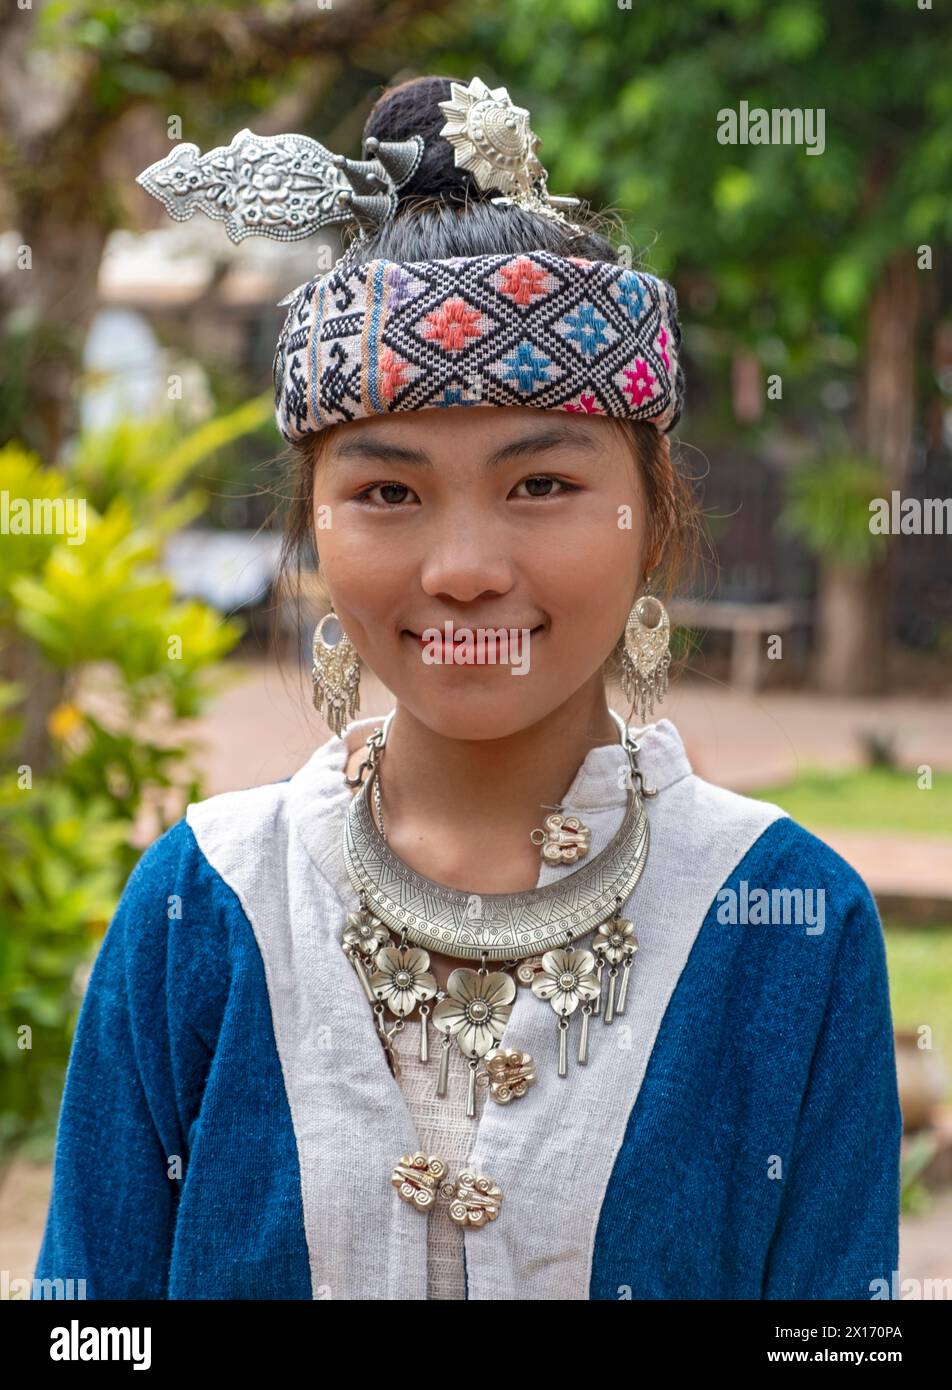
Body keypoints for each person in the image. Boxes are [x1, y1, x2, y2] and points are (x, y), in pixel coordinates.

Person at [34, 74, 901, 1302]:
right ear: (314, 532)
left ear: (654, 521)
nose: (463, 571)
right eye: (387, 493)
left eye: (541, 485)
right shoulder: (204, 907)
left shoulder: (788, 920)